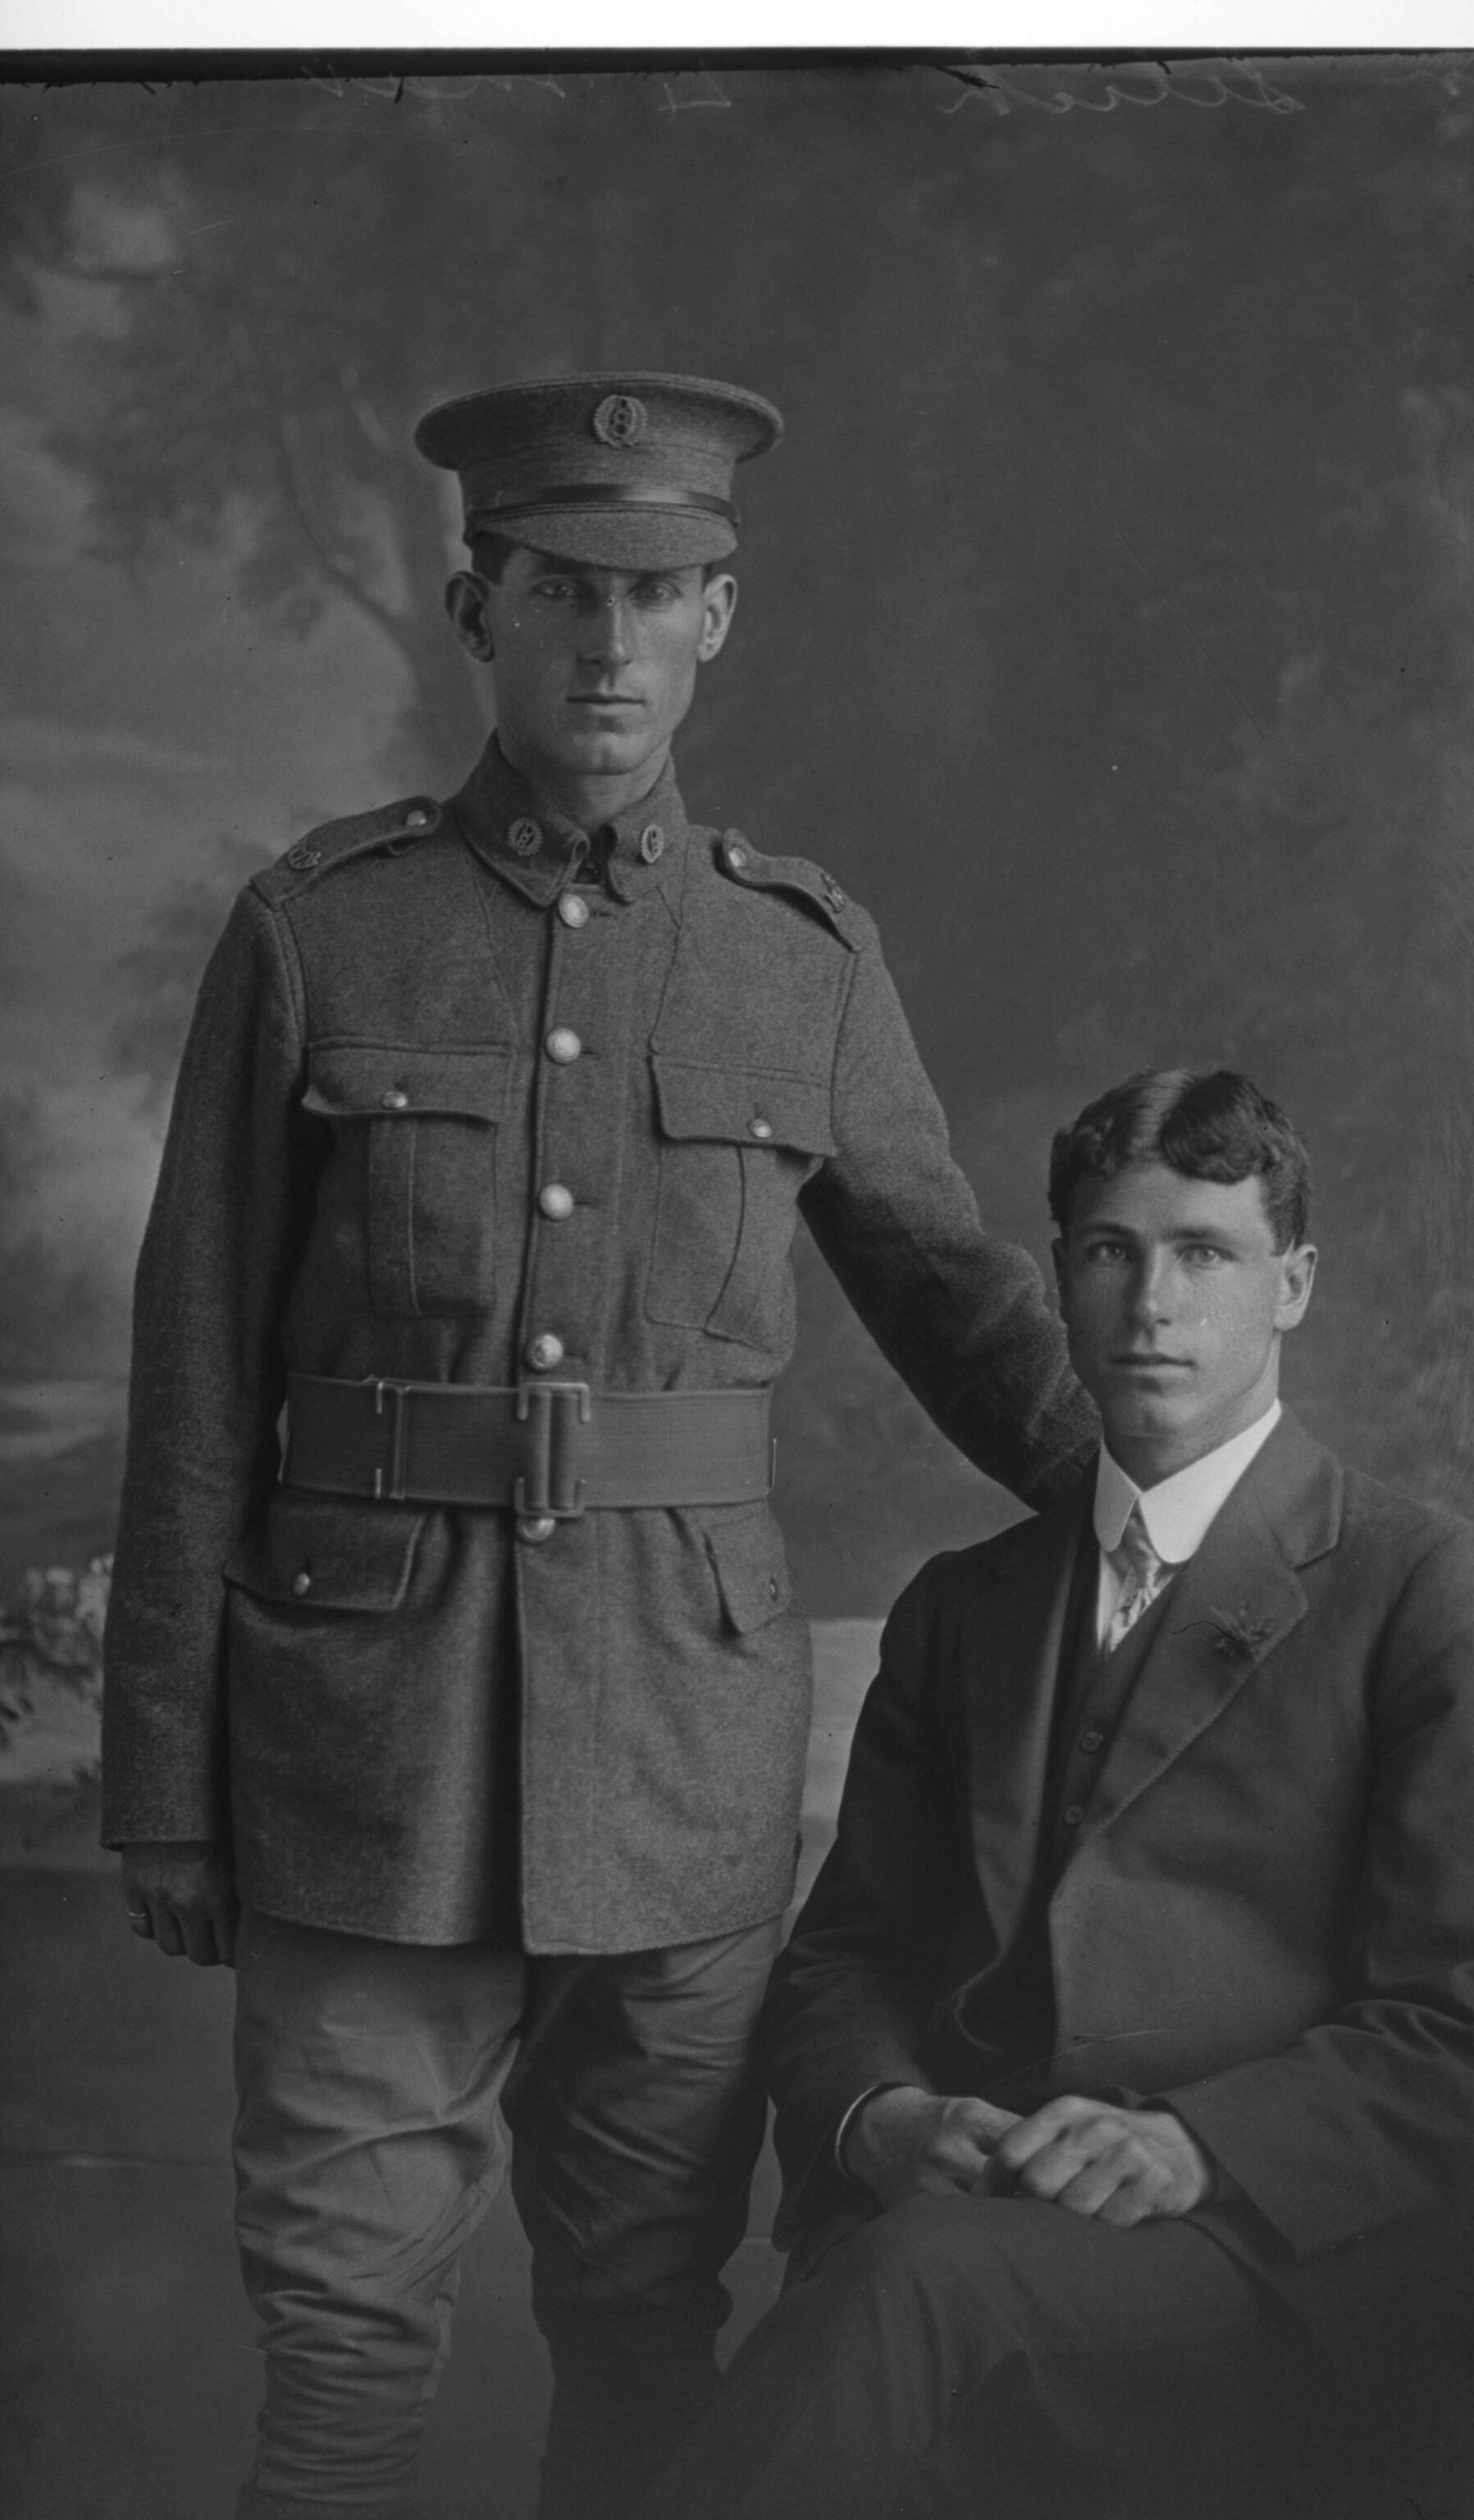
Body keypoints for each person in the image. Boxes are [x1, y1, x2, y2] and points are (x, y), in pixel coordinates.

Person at [98, 372, 1098, 2520]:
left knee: (647, 2323)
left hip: (680, 1759)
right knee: (346, 2338)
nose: (615, 643)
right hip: (361, 1754)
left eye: (663, 592)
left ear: (725, 616)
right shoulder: (320, 933)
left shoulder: (795, 956)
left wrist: (1180, 1520)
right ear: (481, 603)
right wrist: (162, 1784)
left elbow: (957, 1297)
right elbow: (193, 1372)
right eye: (567, 587)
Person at [632, 1066, 1474, 2520]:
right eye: (1110, 1253)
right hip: (986, 2206)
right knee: (901, 2281)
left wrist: (1199, 2147)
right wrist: (881, 2114)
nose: (1153, 1304)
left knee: (909, 2295)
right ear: (1061, 1278)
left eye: (1207, 1254)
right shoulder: (963, 1608)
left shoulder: (1430, 1589)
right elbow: (851, 1952)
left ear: (1295, 1285)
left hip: (1280, 2249)